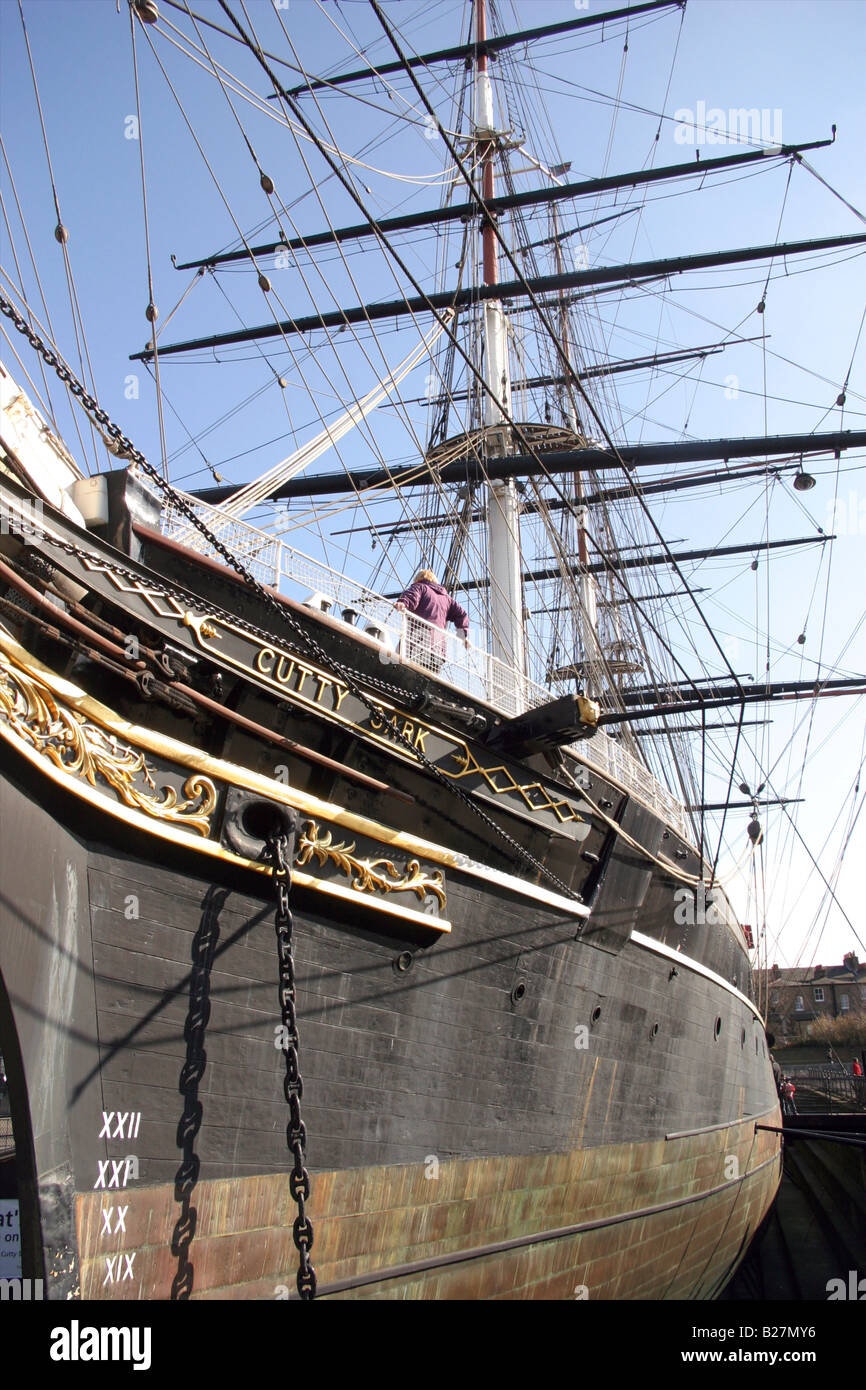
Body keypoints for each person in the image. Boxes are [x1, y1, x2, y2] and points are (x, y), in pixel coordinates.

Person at [394, 569, 469, 673]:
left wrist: (403, 603)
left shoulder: (420, 587)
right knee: (429, 677)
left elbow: (412, 597)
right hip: (438, 650)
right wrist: (462, 636)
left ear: (418, 579)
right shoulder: (447, 599)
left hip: (417, 642)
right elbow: (461, 614)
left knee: (399, 668)